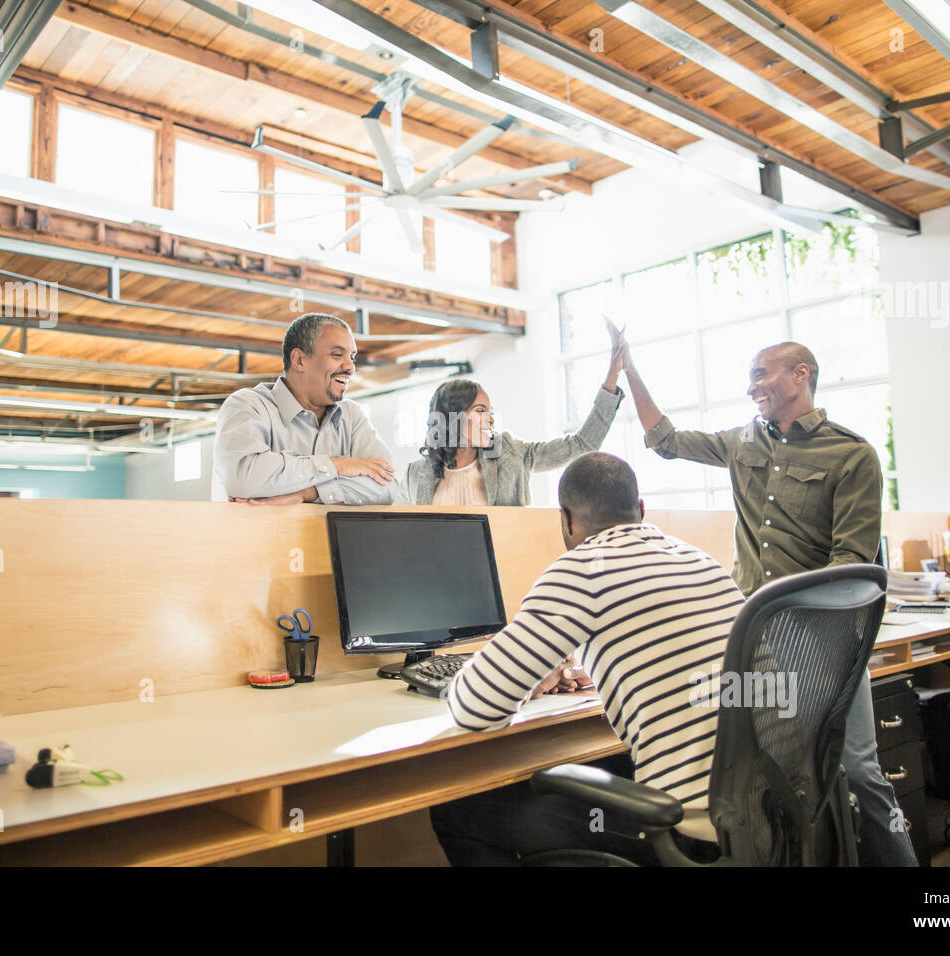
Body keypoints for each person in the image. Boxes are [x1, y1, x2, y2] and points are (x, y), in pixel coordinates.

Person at [617, 336, 917, 866]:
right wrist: (631, 370)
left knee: (862, 772)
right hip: (754, 643)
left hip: (824, 642)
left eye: (761, 374)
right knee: (766, 781)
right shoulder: (742, 443)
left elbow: (850, 570)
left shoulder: (851, 455)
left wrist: (792, 623)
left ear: (801, 375)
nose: (751, 386)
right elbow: (663, 440)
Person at [429, 452, 743, 865]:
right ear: (641, 509)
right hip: (762, 815)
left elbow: (475, 707)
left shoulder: (582, 569)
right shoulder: (702, 562)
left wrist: (524, 678)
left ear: (566, 519)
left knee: (458, 810)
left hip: (687, 829)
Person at [398, 323, 625, 506]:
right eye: (480, 411)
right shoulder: (416, 474)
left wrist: (612, 377)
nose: (491, 419)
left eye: (490, 412)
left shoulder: (510, 454)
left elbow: (581, 445)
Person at [211, 313, 396, 505]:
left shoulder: (352, 416)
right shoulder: (248, 406)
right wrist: (337, 465)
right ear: (299, 360)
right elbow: (244, 479)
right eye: (337, 355)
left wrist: (309, 493)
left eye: (352, 357)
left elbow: (389, 486)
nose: (350, 367)